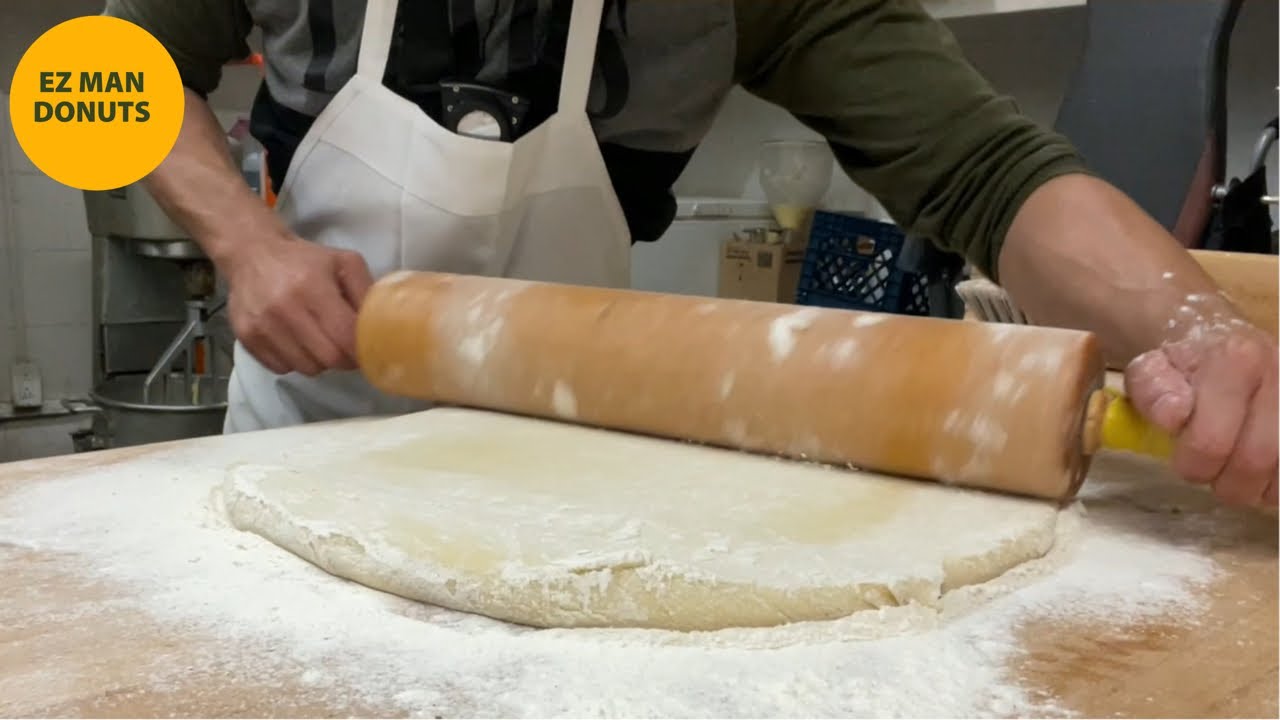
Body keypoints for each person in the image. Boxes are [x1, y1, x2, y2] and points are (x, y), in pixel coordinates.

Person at [103, 0, 1277, 508]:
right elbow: (95, 69)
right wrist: (246, 245)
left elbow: (990, 174)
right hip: (299, 448)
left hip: (563, 472)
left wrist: (1207, 335)